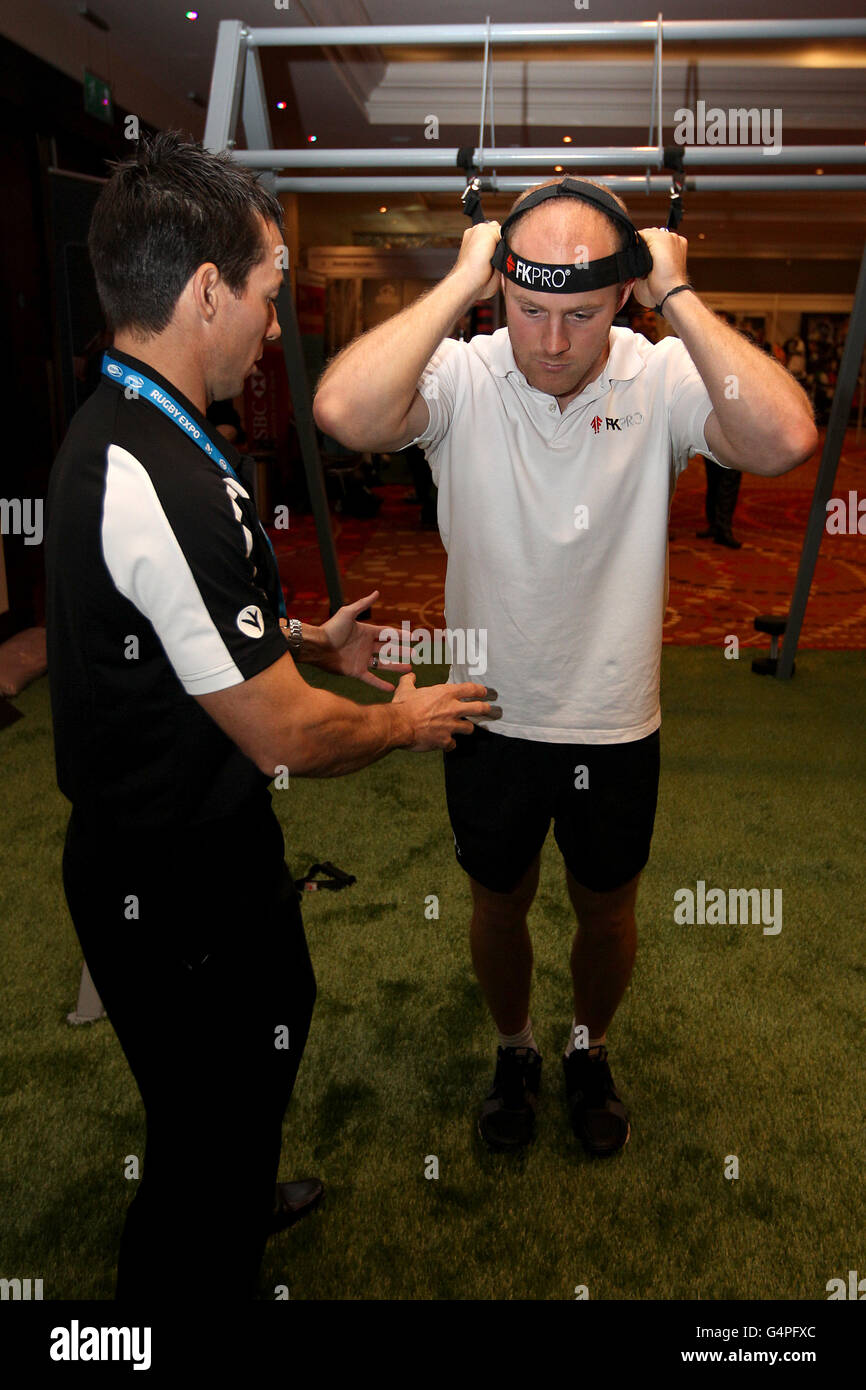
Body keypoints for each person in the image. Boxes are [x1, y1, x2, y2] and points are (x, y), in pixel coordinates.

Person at [44, 131, 491, 1300]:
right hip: (165, 872)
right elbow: (284, 732)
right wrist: (399, 719)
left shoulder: (133, 424)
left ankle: (236, 1196)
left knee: (268, 1026)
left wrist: (299, 642)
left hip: (207, 846)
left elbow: (175, 626)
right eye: (265, 290)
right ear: (203, 291)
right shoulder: (160, 473)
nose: (272, 320)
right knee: (200, 1136)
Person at [313, 175, 817, 1159]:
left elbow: (785, 438)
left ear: (622, 298)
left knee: (605, 907)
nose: (548, 342)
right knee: (494, 901)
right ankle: (515, 1048)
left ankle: (587, 1047)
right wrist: (460, 281)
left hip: (614, 720)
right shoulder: (464, 375)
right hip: (484, 713)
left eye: (577, 314)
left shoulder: (657, 374)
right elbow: (341, 410)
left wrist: (677, 293)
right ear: (500, 291)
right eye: (527, 308)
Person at [696, 310, 744, 549]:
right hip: (712, 427)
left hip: (736, 427)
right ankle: (714, 523)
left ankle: (723, 527)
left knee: (730, 478)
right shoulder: (705, 357)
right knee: (714, 478)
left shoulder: (741, 357)